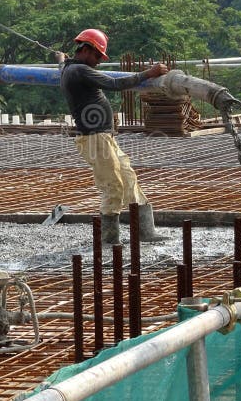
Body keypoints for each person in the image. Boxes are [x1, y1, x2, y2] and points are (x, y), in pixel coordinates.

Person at [55, 28, 169, 244]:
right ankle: (109, 239)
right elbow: (115, 84)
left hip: (104, 137)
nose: (98, 61)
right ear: (86, 50)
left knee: (128, 177)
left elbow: (62, 65)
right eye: (97, 56)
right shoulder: (79, 70)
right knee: (113, 185)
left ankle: (145, 232)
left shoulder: (68, 69)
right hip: (95, 139)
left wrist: (60, 59)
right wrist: (149, 73)